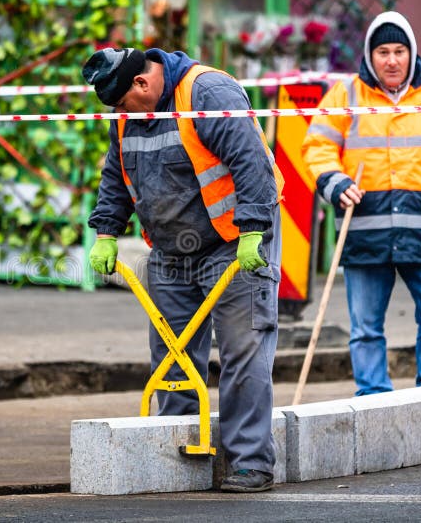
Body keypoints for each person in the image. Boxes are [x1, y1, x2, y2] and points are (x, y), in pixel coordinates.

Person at [82, 47, 283, 492]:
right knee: (173, 354)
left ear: (141, 84)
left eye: (121, 105)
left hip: (235, 241)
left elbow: (252, 163)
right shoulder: (129, 114)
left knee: (241, 348)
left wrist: (254, 229)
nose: (119, 115)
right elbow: (117, 174)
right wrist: (106, 231)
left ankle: (250, 462)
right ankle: (175, 454)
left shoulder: (207, 92)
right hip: (173, 250)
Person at [302, 11, 421, 396]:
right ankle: (373, 397)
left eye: (399, 51)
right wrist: (334, 181)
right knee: (366, 328)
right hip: (365, 229)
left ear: (412, 53)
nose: (392, 60)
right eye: (383, 52)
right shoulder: (345, 96)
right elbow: (318, 147)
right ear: (370, 56)